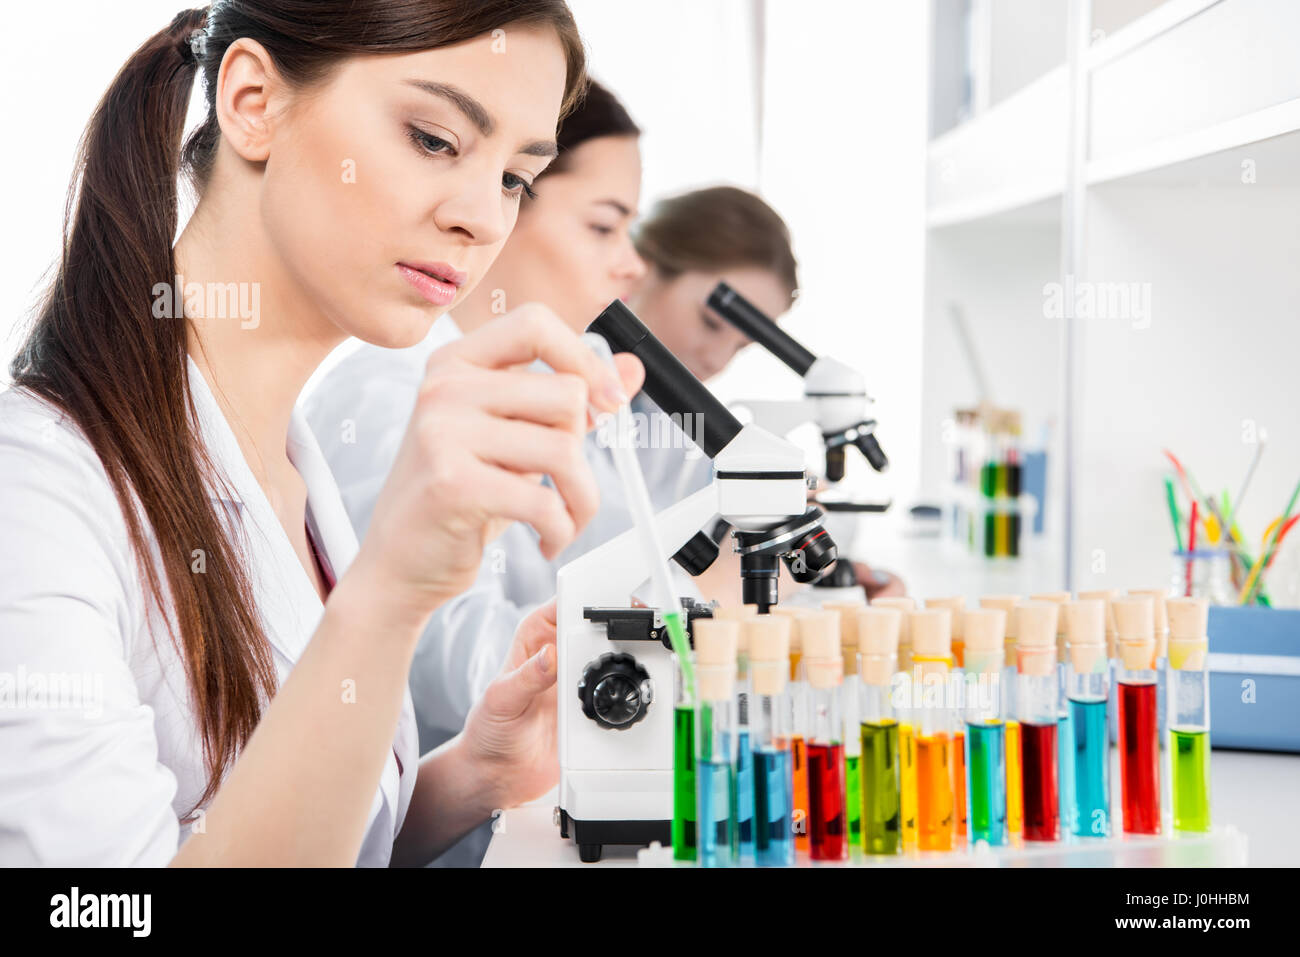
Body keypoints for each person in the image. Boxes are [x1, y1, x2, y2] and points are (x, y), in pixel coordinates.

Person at [0, 0, 645, 867]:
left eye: (512, 179)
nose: (485, 219)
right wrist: (387, 596)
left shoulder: (296, 470)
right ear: (255, 103)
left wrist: (473, 776)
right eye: (434, 138)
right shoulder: (35, 489)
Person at [304, 77, 648, 865]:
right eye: (604, 226)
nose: (632, 266)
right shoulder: (391, 390)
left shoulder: (535, 380)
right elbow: (444, 689)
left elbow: (614, 558)